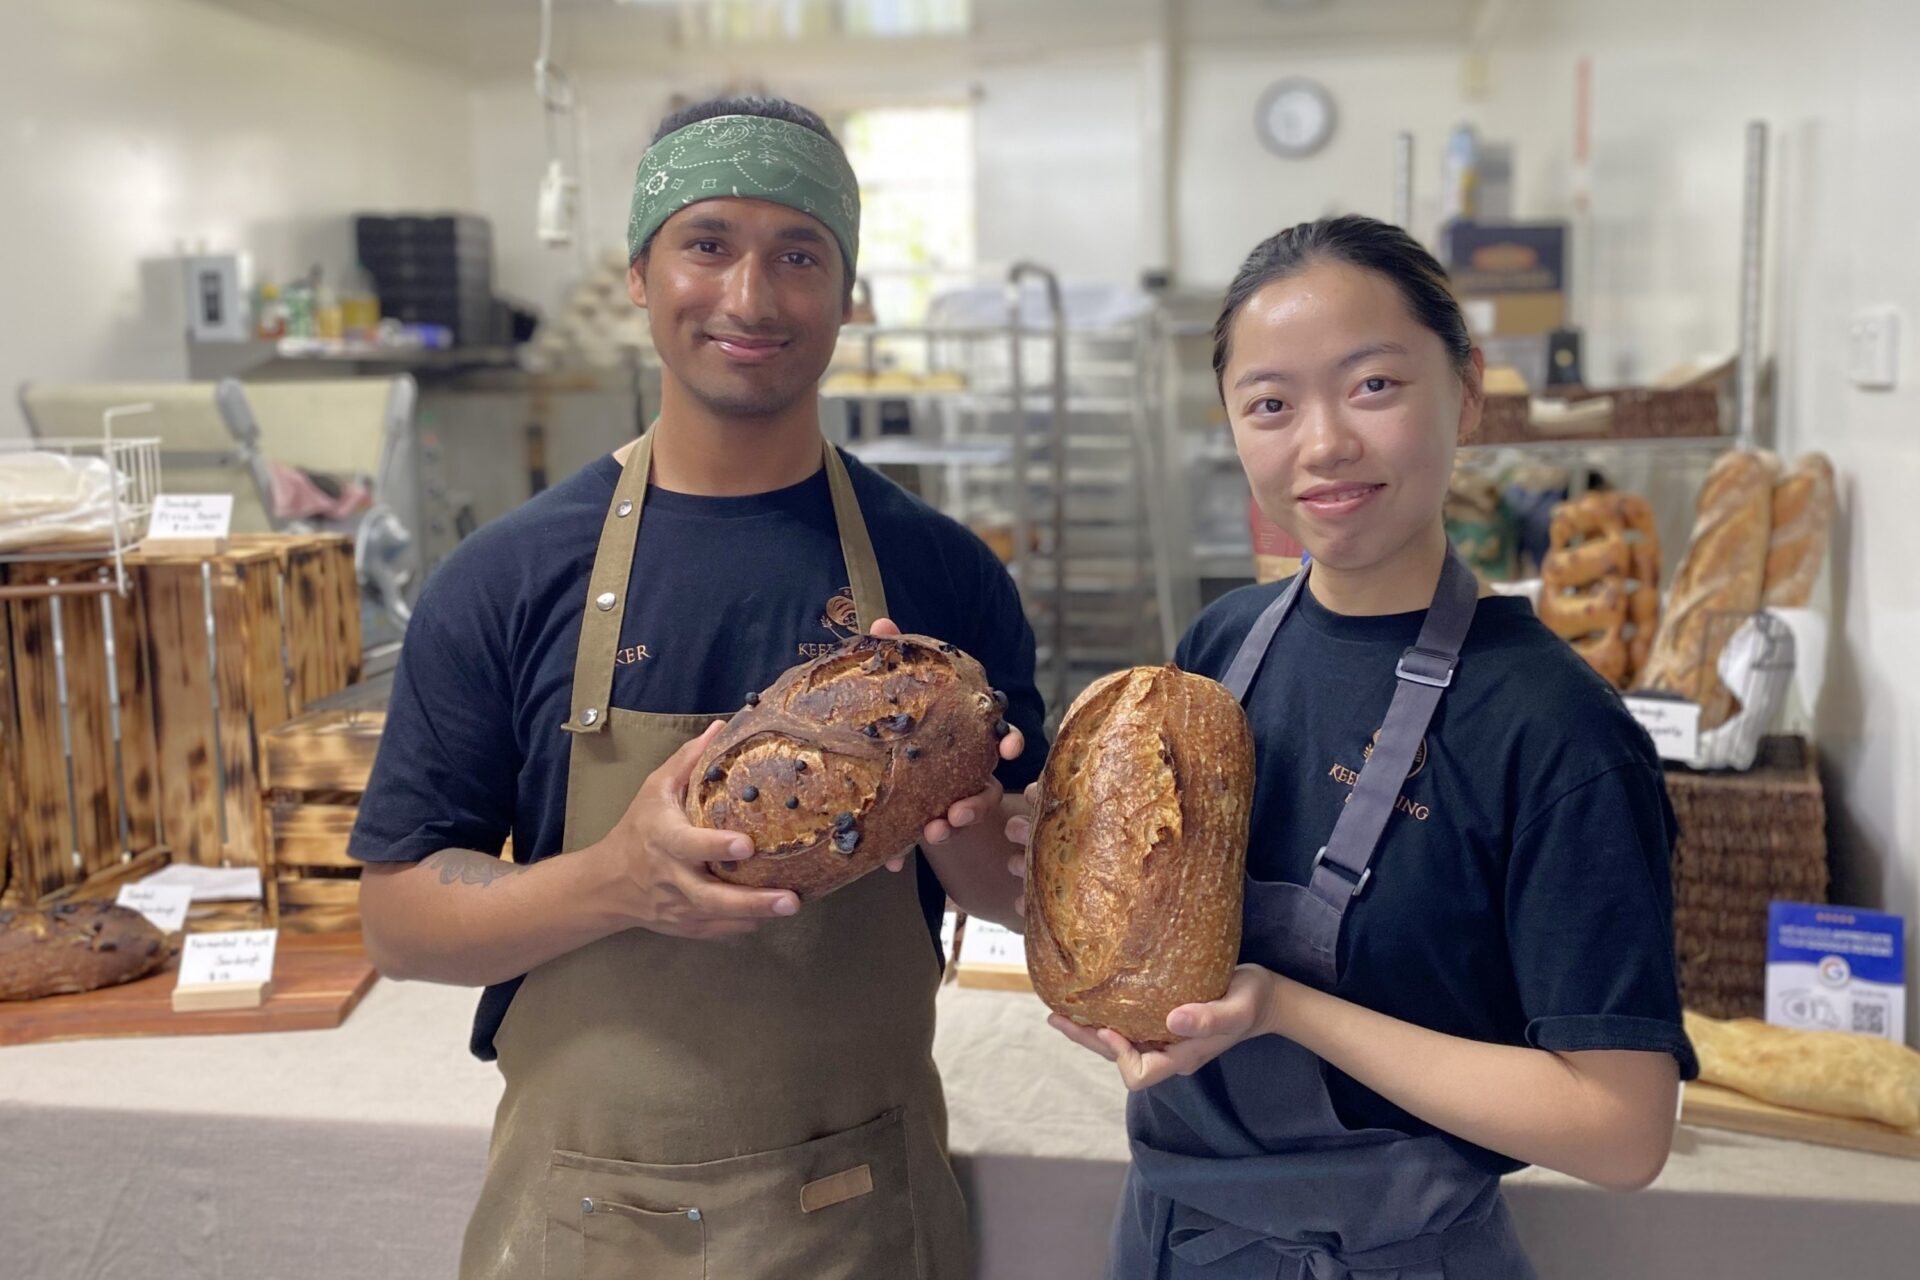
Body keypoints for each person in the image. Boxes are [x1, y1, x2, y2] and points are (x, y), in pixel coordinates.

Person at [350, 95, 1042, 1280]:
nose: (752, 297)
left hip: (865, 1210)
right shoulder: (509, 577)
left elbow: (1024, 897)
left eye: (800, 254)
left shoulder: (943, 578)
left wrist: (970, 823)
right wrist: (619, 881)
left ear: (850, 291)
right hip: (583, 1218)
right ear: (638, 270)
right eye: (708, 242)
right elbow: (402, 919)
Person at [1009, 214, 1696, 1278]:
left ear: (1466, 390)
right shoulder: (1218, 653)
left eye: (1373, 385)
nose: (1322, 443)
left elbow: (1621, 1126)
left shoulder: (1555, 730)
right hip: (1170, 1235)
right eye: (1271, 403)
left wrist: (1283, 1008)